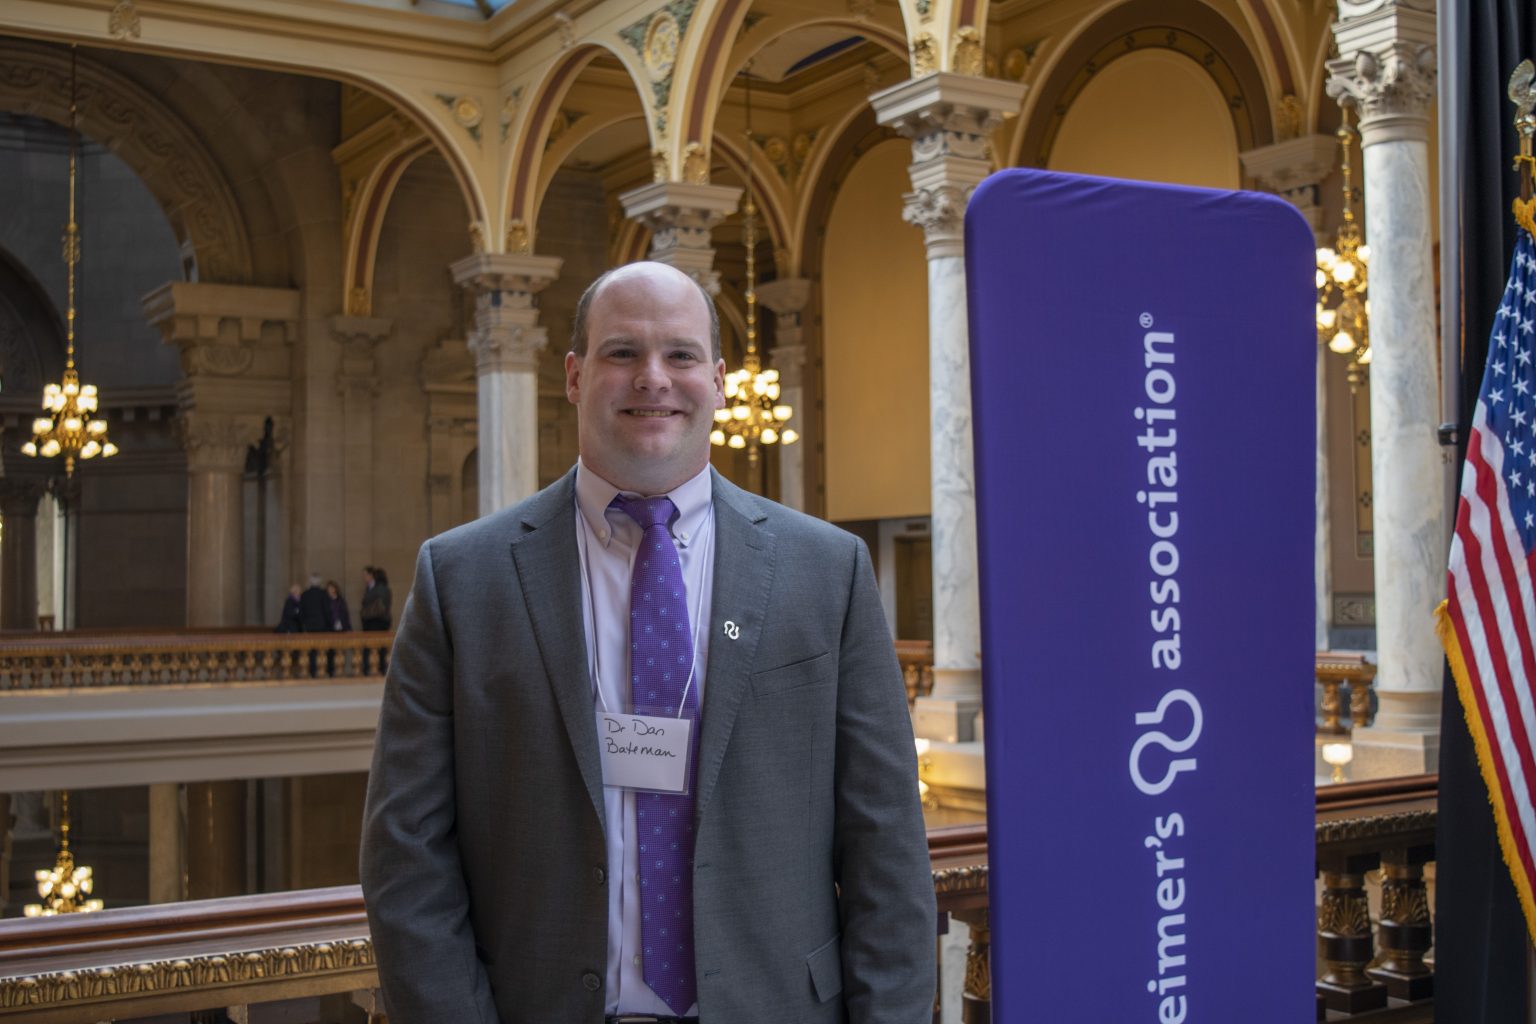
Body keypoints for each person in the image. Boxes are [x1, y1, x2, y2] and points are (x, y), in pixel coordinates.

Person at [362, 261, 934, 1024]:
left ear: (722, 380)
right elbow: (407, 850)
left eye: (682, 355)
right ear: (573, 375)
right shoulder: (462, 579)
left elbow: (886, 845)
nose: (653, 378)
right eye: (622, 352)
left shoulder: (828, 572)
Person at [360, 565, 391, 632]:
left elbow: (381, 605)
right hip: (375, 620)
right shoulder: (371, 588)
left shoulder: (380, 588)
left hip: (377, 621)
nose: (364, 577)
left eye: (365, 575)